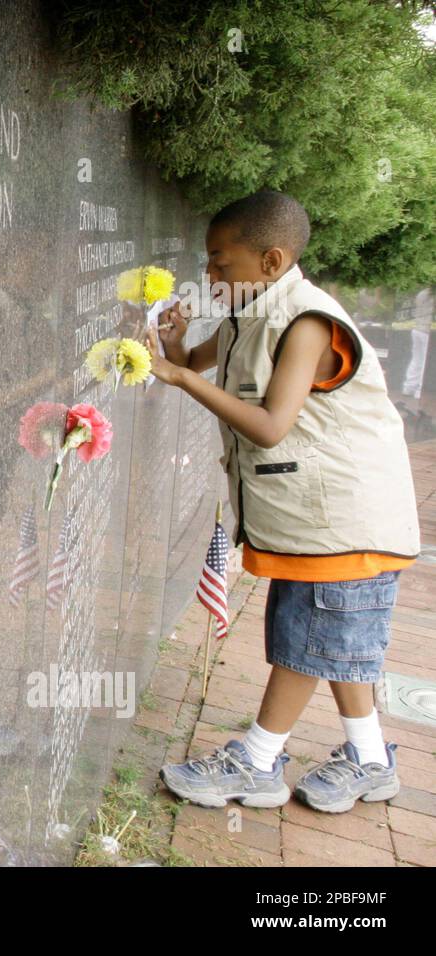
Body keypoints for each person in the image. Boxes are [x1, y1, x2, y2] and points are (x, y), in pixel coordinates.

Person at [145, 191, 420, 813]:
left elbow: (269, 425)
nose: (210, 277)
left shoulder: (307, 323)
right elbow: (194, 366)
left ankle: (258, 762)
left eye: (221, 264)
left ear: (271, 260)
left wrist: (183, 376)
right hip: (314, 521)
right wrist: (179, 347)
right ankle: (370, 760)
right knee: (335, 640)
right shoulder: (253, 309)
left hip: (344, 520)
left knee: (309, 637)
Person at [402, 286, 432, 399]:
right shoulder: (432, 296)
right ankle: (419, 389)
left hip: (417, 328)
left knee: (417, 359)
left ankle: (409, 387)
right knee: (424, 360)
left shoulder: (421, 293)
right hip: (426, 331)